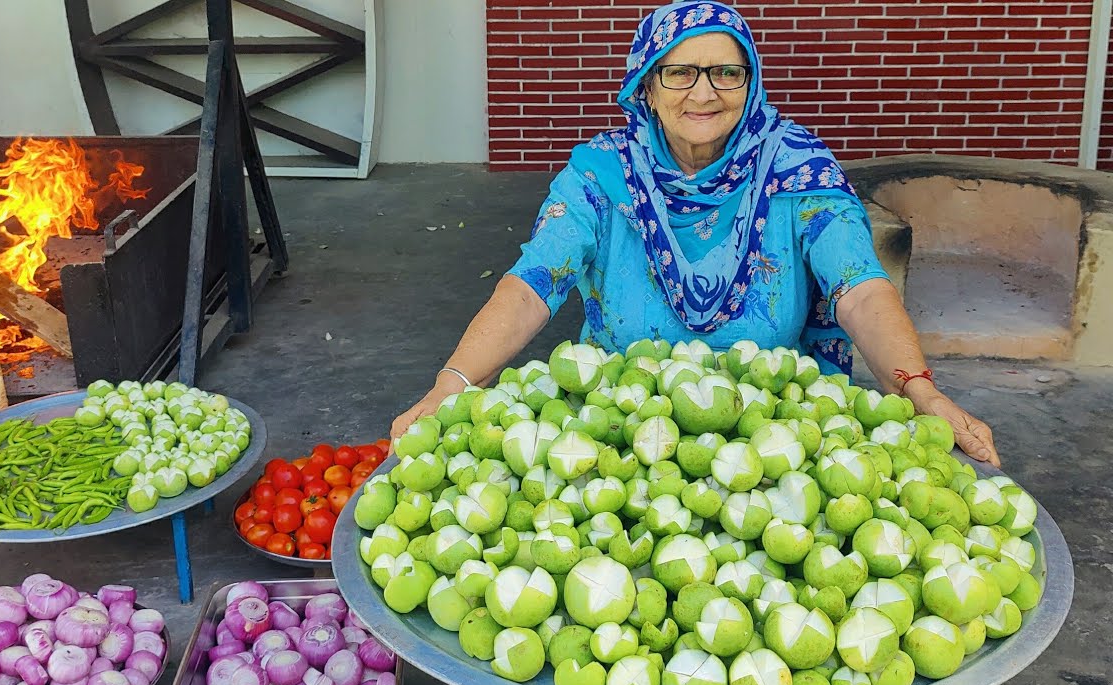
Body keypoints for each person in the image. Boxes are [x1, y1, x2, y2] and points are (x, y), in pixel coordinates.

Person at [392, 1, 999, 466]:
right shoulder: (602, 174)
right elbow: (531, 286)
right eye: (680, 73)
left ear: (750, 81)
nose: (703, 92)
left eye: (725, 73)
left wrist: (925, 395)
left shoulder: (797, 168)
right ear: (647, 87)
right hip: (619, 423)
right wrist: (449, 387)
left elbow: (861, 289)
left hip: (771, 423)